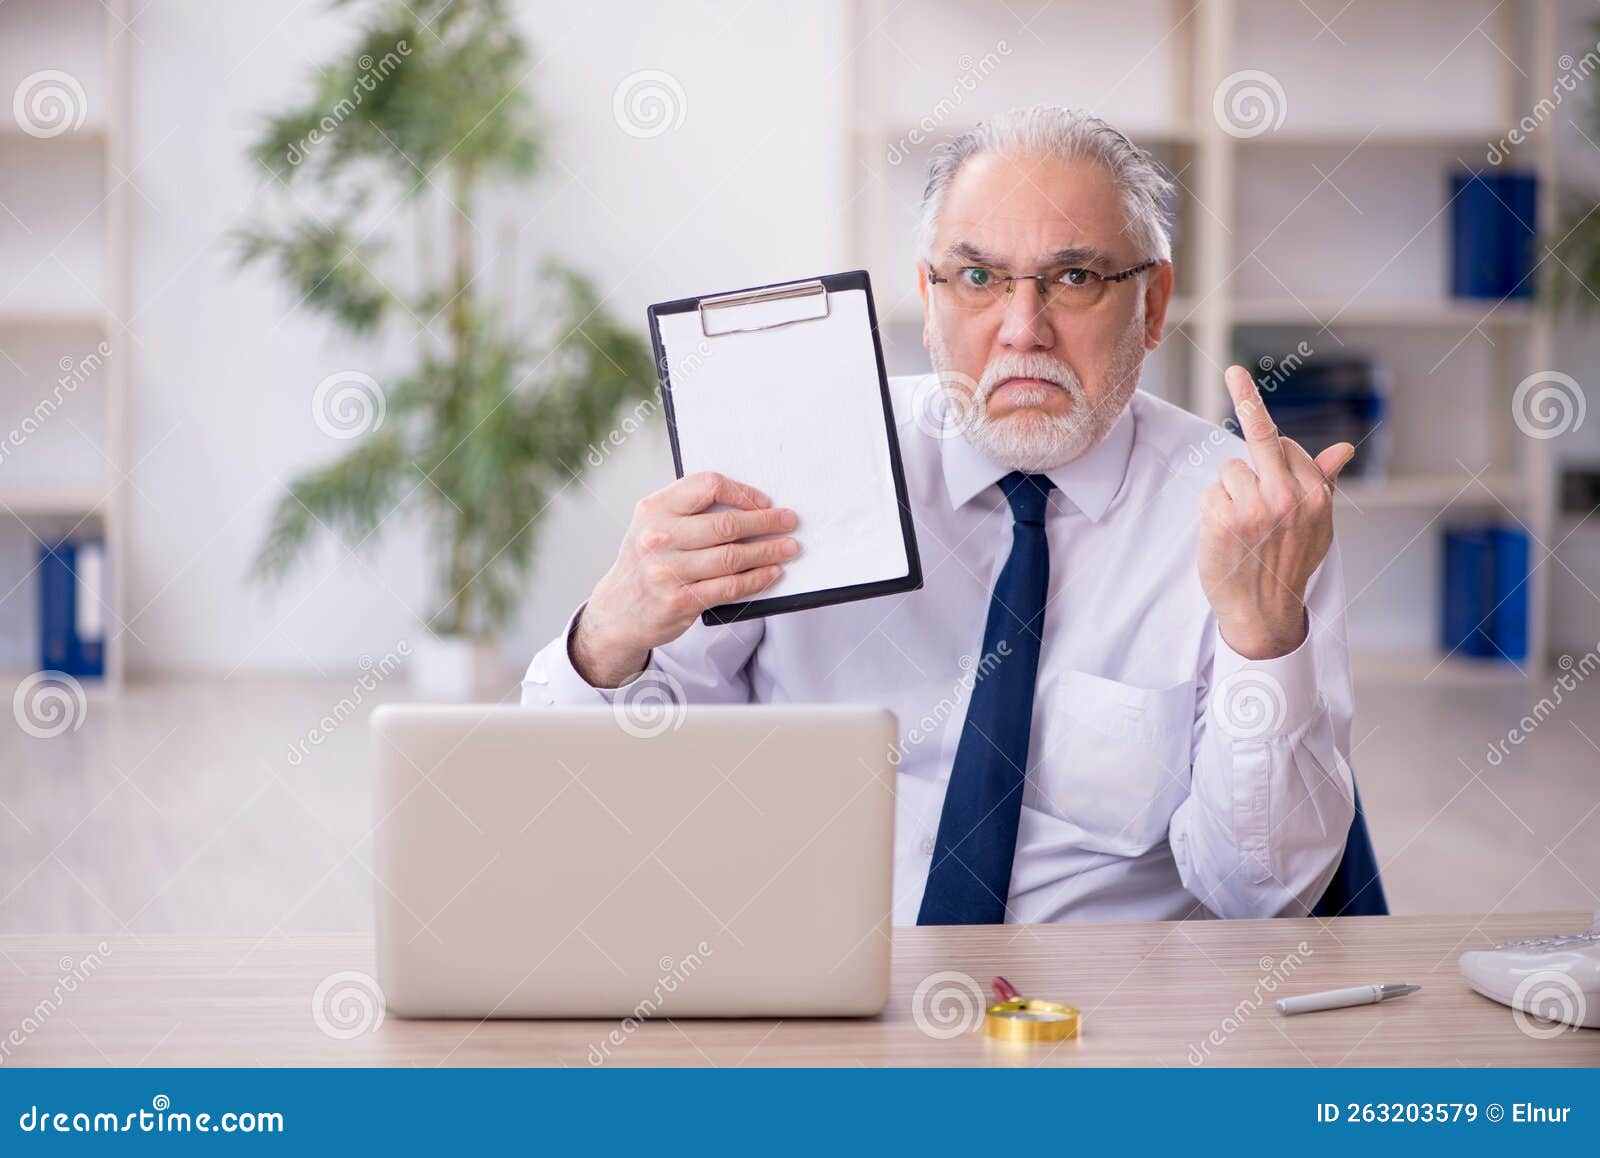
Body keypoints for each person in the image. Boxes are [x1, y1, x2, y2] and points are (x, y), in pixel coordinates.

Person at [523, 105, 1356, 926]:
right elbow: (597, 799)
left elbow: (1261, 898)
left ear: (1152, 302)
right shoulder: (801, 462)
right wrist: (609, 635)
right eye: (979, 278)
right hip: (812, 989)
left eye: (1074, 278)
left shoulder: (1252, 518)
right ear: (927, 297)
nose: (1022, 331)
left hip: (1091, 1016)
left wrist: (1265, 640)